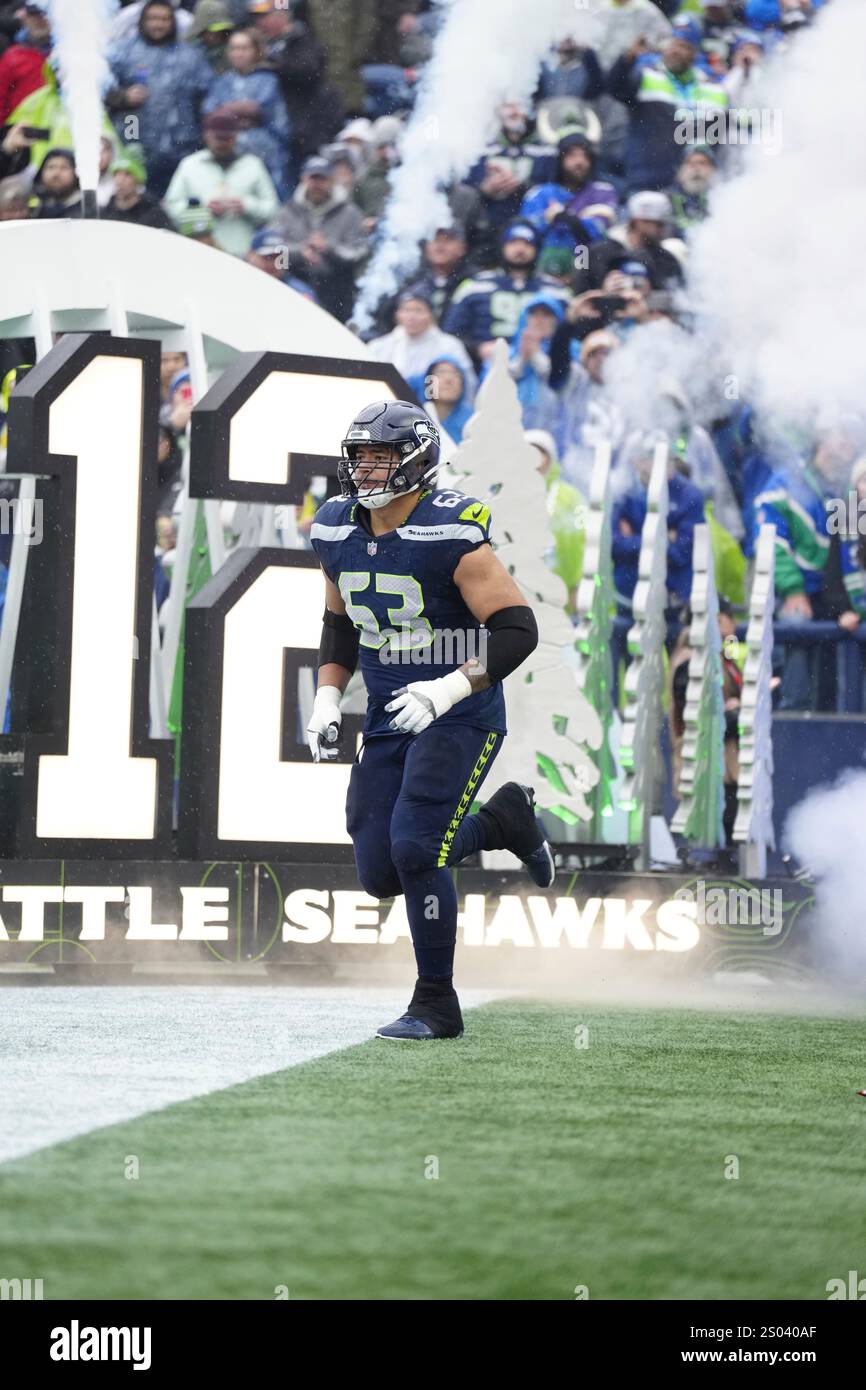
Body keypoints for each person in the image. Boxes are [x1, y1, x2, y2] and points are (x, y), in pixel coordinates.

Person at [306, 399, 554, 1041]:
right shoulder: (336, 527)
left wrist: (448, 689)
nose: (366, 470)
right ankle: (502, 821)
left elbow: (518, 629)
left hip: (460, 709)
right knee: (380, 870)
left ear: (417, 458)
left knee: (417, 844)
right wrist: (328, 697)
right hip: (392, 710)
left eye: (381, 456)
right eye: (359, 457)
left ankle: (436, 1003)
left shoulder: (451, 531)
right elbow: (339, 622)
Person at [606, 17, 728, 193]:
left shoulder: (714, 89)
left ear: (695, 53)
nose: (676, 51)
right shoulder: (647, 76)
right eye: (673, 44)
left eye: (684, 46)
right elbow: (614, 87)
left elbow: (721, 137)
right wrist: (627, 58)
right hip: (647, 180)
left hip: (695, 183)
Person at [107, 0, 214, 198]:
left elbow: (208, 95)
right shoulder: (123, 52)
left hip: (182, 146)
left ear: (173, 22)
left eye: (164, 19)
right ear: (142, 21)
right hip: (134, 138)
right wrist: (122, 96)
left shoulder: (190, 55)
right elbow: (102, 88)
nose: (158, 24)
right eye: (153, 19)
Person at [442, 220, 569, 370]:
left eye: (527, 243)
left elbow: (570, 334)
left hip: (542, 368)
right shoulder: (475, 286)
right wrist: (477, 348)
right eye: (514, 242)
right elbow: (451, 332)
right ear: (502, 246)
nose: (520, 249)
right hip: (485, 369)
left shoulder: (556, 290)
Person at [263, 154, 367, 320]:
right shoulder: (288, 211)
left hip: (338, 290)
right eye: (313, 179)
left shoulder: (350, 213)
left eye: (322, 179)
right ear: (303, 179)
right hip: (295, 286)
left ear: (332, 180)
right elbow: (272, 250)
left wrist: (328, 249)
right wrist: (300, 252)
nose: (317, 185)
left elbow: (359, 253)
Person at [164, 109, 278, 256]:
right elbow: (170, 206)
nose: (222, 143)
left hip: (242, 255)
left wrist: (246, 206)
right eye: (218, 137)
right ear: (206, 135)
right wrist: (202, 210)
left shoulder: (253, 166)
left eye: (227, 138)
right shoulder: (190, 165)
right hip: (199, 252)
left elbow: (273, 210)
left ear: (237, 136)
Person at [250, 0, 343, 168]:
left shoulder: (302, 40)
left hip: (304, 130)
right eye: (257, 18)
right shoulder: (261, 45)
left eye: (265, 16)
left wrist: (275, 64)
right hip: (273, 132)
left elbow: (308, 71)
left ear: (282, 16)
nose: (260, 23)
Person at [203, 26, 291, 199]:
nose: (238, 54)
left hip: (264, 151)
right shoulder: (222, 81)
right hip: (229, 150)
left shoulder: (267, 79)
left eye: (244, 48)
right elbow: (210, 111)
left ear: (255, 51)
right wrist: (238, 112)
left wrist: (228, 110)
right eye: (234, 49)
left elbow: (258, 108)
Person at [367, 287, 476, 392]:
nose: (411, 317)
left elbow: (467, 385)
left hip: (432, 405)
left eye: (419, 310)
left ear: (431, 315)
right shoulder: (379, 346)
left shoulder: (450, 346)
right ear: (397, 314)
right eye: (406, 310)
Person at [0, 0, 51, 126]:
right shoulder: (13, 56)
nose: (40, 19)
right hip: (21, 134)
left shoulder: (71, 55)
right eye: (34, 14)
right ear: (24, 16)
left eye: (45, 13)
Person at [102, 148, 173, 229]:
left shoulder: (154, 214)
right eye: (116, 174)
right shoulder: (106, 211)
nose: (119, 181)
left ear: (138, 180)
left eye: (127, 175)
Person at [417, 357, 474, 445]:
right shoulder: (414, 419)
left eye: (455, 374)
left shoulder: (473, 421)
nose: (448, 379)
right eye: (441, 373)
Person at [29, 147, 83, 218]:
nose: (56, 173)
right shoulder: (31, 207)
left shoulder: (87, 207)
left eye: (64, 167)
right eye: (51, 167)